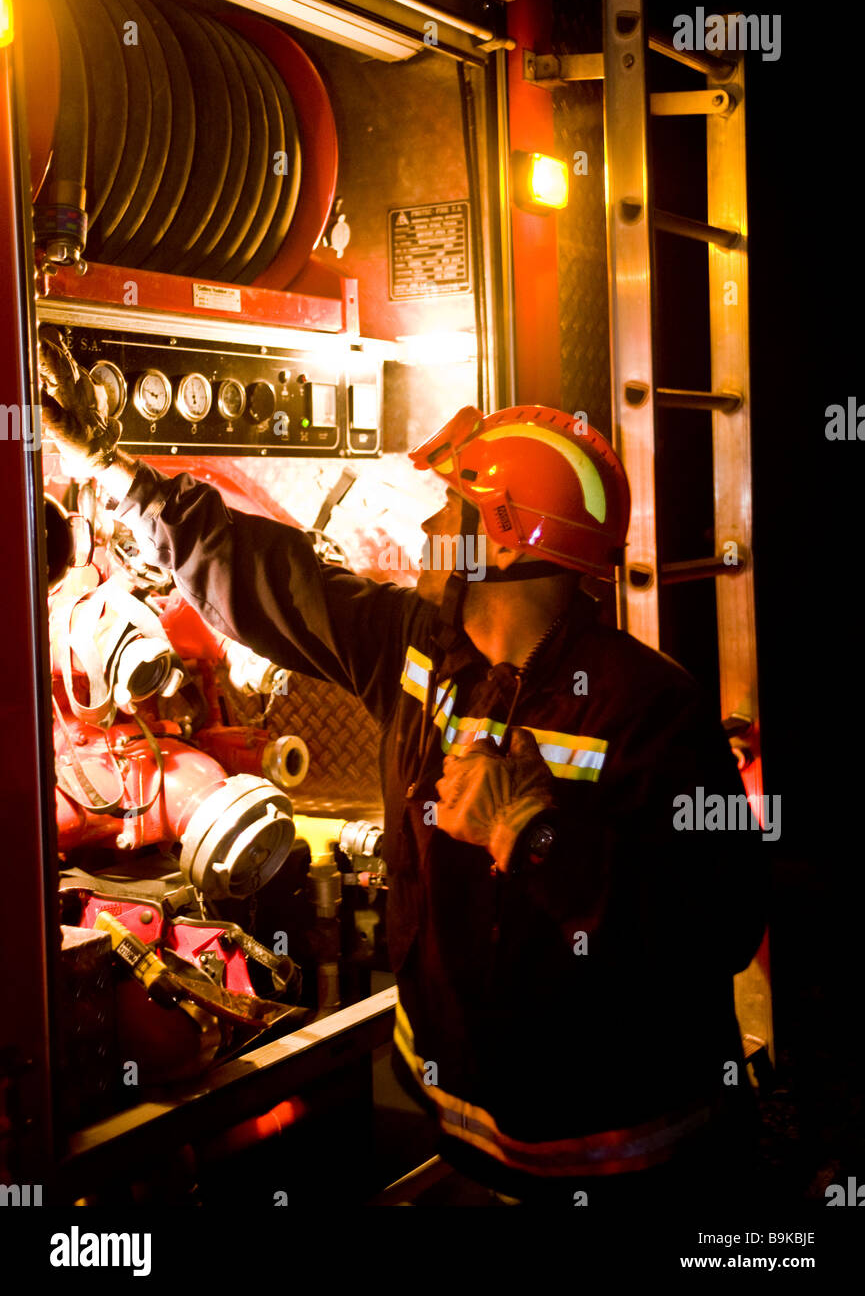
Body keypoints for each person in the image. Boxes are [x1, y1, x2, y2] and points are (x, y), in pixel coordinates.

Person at [39, 329, 769, 1208]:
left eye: (452, 510)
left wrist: (534, 833)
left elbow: (719, 927)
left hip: (625, 1166)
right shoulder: (418, 649)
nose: (427, 526)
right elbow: (269, 579)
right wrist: (112, 470)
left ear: (499, 544)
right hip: (469, 1139)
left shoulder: (649, 710)